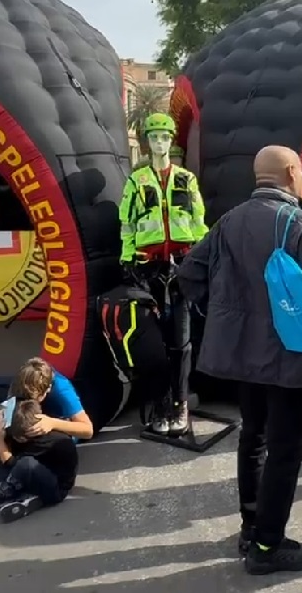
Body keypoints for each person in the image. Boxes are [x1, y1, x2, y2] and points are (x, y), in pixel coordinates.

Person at [177, 145, 302, 575]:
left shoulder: (228, 221)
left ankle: (251, 527)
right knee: (286, 451)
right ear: (290, 172)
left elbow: (189, 273)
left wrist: (225, 312)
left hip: (242, 356)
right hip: (291, 357)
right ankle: (268, 546)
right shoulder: (299, 223)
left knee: (254, 438)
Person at [118, 112, 209, 436]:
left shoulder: (186, 179)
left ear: (171, 141)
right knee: (154, 344)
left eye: (164, 136)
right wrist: (128, 258)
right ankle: (160, 401)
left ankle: (181, 402)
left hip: (182, 265)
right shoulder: (136, 181)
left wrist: (201, 257)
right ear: (146, 142)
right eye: (154, 136)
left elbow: (199, 222)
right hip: (148, 268)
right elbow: (127, 223)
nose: (159, 142)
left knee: (181, 341)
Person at [0, 357, 93, 471]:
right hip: (25, 426)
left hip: (52, 428)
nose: (29, 401)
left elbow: (87, 429)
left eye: (33, 399)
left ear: (47, 390)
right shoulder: (20, 385)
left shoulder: (62, 389)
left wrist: (52, 423)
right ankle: (7, 461)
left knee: (31, 463)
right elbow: (0, 421)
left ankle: (11, 463)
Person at [0, 399, 78, 523]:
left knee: (25, 464)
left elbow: (11, 462)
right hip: (37, 471)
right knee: (3, 464)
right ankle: (27, 497)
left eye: (19, 438)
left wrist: (0, 439)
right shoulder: (25, 429)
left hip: (56, 487)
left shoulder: (48, 441)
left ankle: (4, 495)